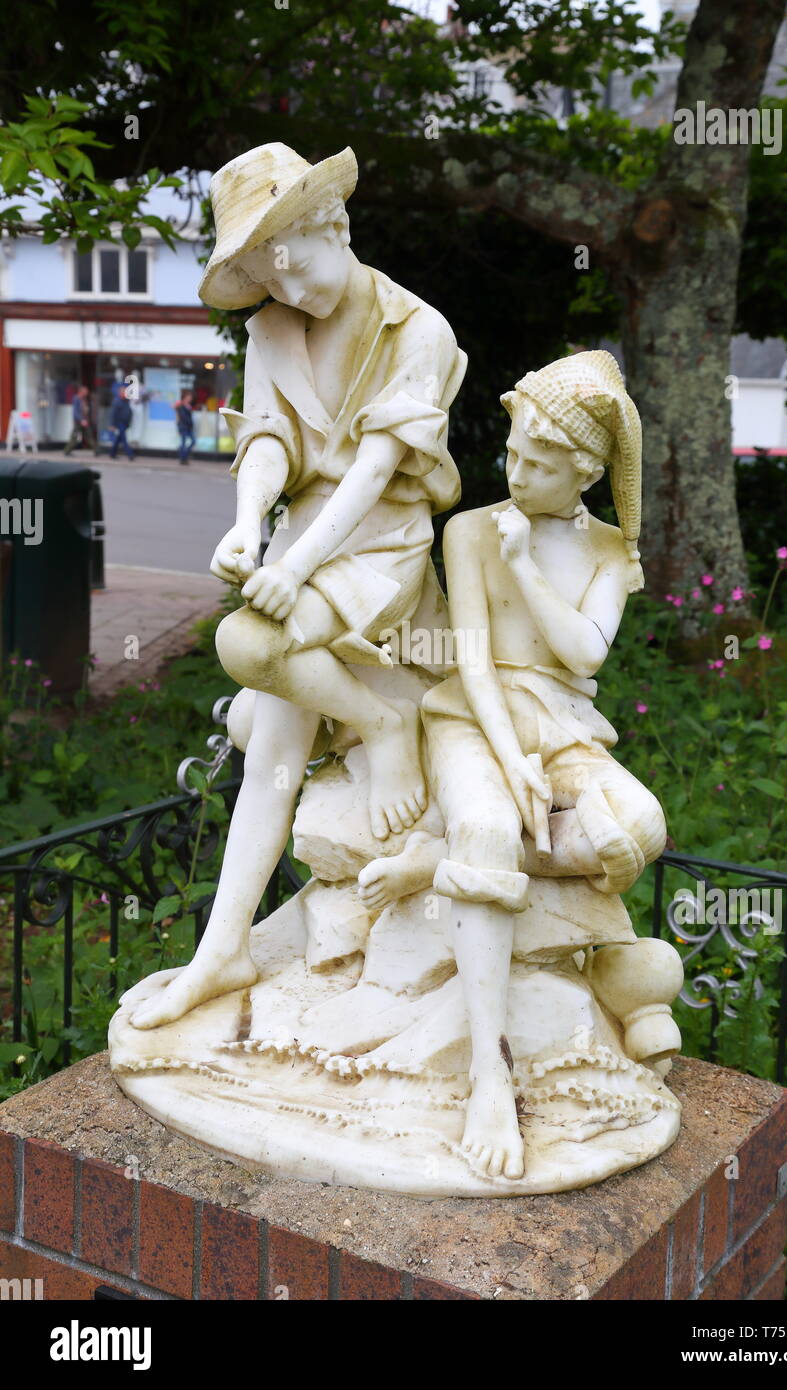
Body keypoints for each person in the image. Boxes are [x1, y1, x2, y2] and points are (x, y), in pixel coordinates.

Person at [130, 142, 465, 1031]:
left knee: (247, 646)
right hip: (297, 543)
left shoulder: (416, 329)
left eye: (298, 270)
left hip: (377, 546)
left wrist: (295, 566)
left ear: (335, 225)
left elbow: (378, 468)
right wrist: (249, 526)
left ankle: (383, 721)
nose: (291, 294)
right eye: (268, 281)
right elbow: (268, 440)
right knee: (271, 755)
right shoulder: (272, 326)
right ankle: (222, 948)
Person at [358, 351, 665, 1180]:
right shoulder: (468, 530)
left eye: (540, 464)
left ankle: (434, 861)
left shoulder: (608, 553)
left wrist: (527, 564)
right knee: (492, 828)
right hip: (475, 715)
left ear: (588, 473)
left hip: (564, 723)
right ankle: (490, 1079)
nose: (517, 472)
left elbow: (582, 651)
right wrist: (507, 763)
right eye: (513, 454)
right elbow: (477, 664)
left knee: (639, 828)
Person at [64, 385, 97, 455]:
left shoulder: (84, 399)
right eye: (85, 391)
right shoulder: (76, 399)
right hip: (78, 421)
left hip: (85, 420)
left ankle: (97, 451)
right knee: (75, 436)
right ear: (81, 392)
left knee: (89, 436)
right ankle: (67, 451)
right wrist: (81, 420)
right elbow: (75, 412)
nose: (87, 393)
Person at [109, 387, 135, 460]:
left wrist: (129, 422)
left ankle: (112, 454)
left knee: (118, 439)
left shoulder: (126, 401)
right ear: (120, 393)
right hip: (119, 423)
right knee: (124, 439)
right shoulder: (116, 401)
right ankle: (130, 454)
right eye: (124, 392)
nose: (125, 394)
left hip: (125, 423)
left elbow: (129, 412)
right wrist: (113, 425)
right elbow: (113, 414)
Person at [175, 390, 195, 464]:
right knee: (183, 443)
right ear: (185, 398)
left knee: (193, 441)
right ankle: (183, 458)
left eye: (190, 397)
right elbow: (183, 417)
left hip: (189, 427)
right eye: (188, 397)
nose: (190, 399)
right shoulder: (181, 405)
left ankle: (185, 455)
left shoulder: (188, 406)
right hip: (183, 427)